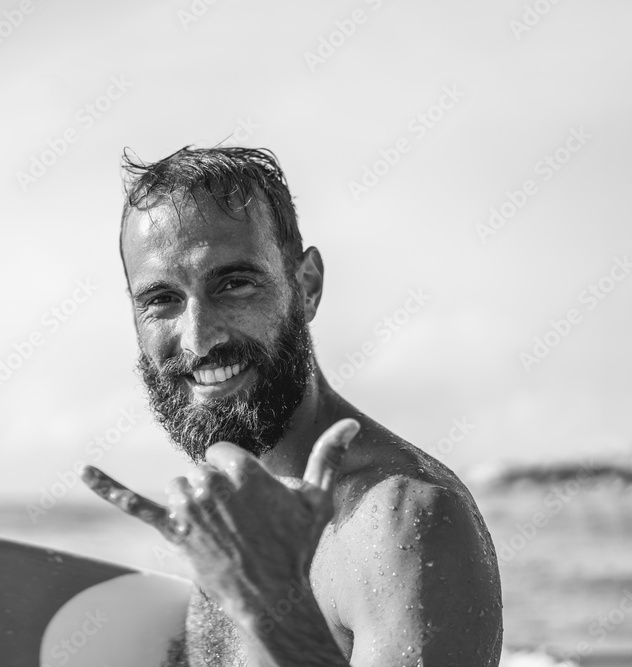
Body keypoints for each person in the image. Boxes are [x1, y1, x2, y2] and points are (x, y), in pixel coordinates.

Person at [79, 146, 503, 666]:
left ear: (306, 287)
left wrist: (269, 604)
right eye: (161, 299)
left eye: (233, 284)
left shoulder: (402, 523)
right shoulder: (232, 514)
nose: (198, 341)